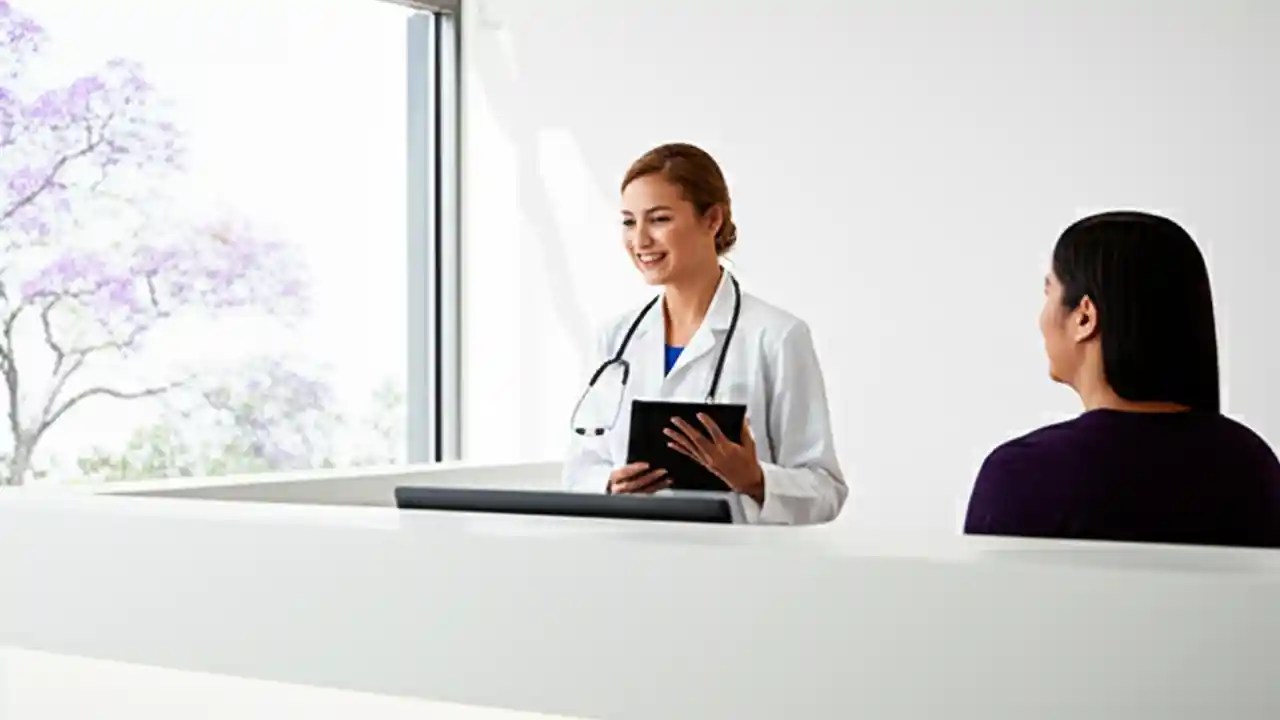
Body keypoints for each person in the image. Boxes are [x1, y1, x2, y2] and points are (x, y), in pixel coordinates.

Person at [562, 142, 846, 525]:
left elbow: (825, 490)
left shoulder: (776, 336)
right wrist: (611, 484)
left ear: (712, 220)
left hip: (731, 569)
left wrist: (756, 480)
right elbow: (580, 470)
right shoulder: (616, 339)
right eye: (629, 221)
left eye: (659, 219)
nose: (640, 240)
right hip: (630, 562)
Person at [964, 210, 1280, 547]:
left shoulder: (1019, 477)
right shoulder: (1252, 468)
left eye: (1049, 293)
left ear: (1085, 317)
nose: (1041, 318)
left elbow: (986, 600)